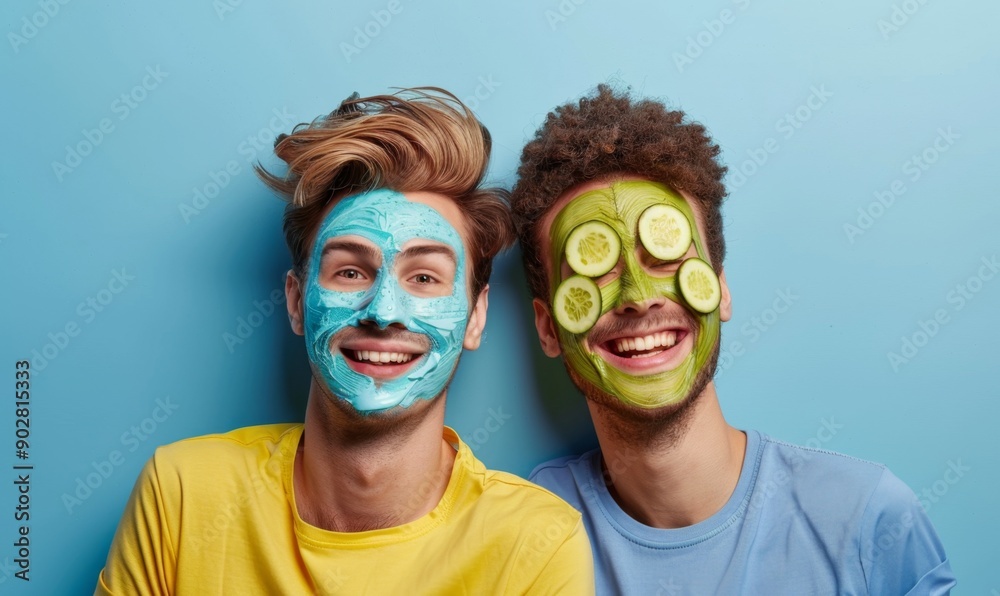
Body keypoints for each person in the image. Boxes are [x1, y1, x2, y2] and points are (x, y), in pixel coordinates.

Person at [96, 88, 594, 595]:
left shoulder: (535, 544)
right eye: (351, 271)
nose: (383, 311)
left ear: (475, 316)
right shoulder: (182, 495)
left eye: (424, 278)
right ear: (296, 301)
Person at [510, 85, 956, 594]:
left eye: (665, 258)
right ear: (548, 327)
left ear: (720, 290)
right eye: (597, 271)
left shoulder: (867, 521)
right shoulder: (515, 534)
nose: (638, 297)